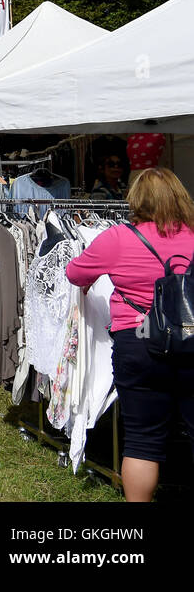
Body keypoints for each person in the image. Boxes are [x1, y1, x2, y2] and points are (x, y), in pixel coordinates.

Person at [66, 167, 194, 501]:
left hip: (139, 340)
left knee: (142, 439)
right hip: (192, 338)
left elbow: (74, 273)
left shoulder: (118, 237)